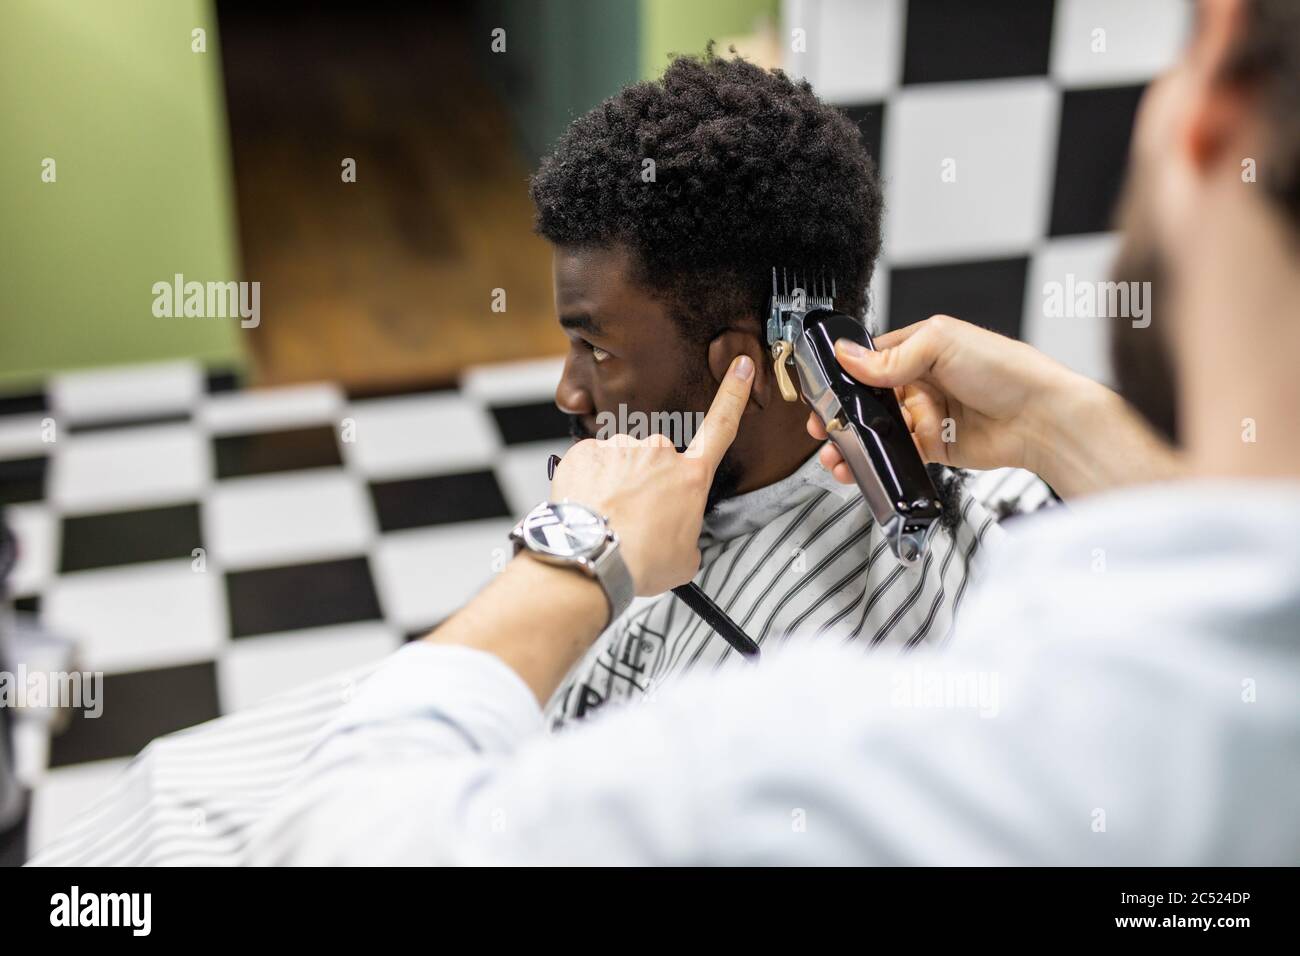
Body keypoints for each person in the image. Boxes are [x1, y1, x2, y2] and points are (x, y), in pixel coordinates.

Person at [229, 0, 1300, 864]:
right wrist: (1061, 425)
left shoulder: (774, 753)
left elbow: (328, 842)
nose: (564, 390)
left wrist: (571, 551)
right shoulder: (1062, 527)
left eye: (592, 346)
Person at [529, 48, 1031, 725]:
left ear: (742, 366)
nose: (569, 392)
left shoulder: (770, 711)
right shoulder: (1017, 495)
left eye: (595, 349)